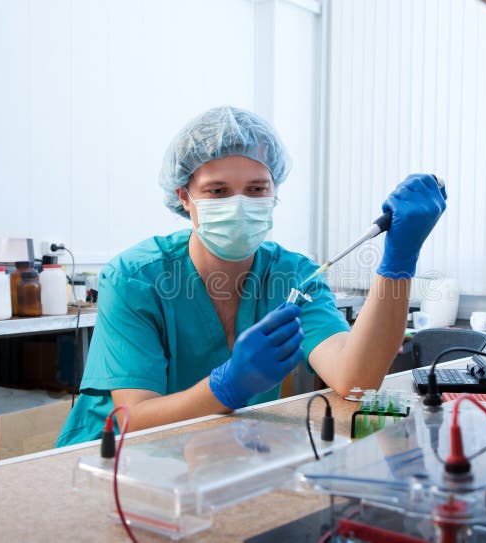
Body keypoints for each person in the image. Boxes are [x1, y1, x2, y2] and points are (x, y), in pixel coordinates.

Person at [56, 105, 446, 446]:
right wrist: (227, 386)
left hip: (216, 454)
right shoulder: (134, 278)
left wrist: (399, 260)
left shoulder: (292, 275)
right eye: (218, 191)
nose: (239, 205)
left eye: (257, 188)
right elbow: (132, 421)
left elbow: (356, 380)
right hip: (110, 462)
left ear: (275, 191)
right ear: (184, 197)